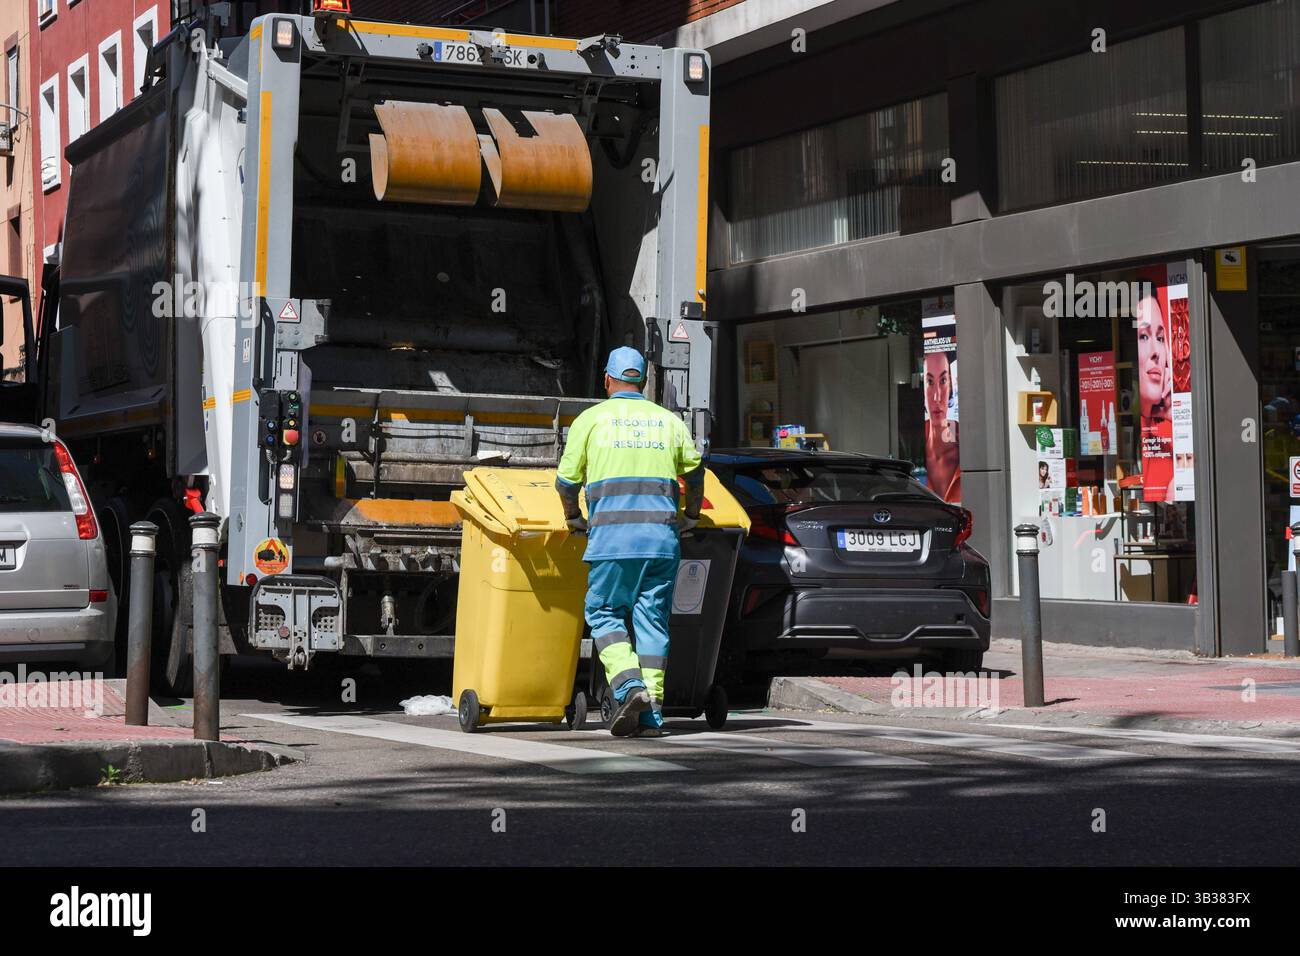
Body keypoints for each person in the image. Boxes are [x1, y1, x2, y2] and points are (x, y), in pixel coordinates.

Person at [555, 347, 704, 738]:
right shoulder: (668, 421)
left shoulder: (591, 420)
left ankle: (628, 686)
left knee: (604, 612)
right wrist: (690, 514)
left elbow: (566, 482)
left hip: (612, 543)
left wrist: (573, 516)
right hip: (661, 543)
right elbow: (695, 468)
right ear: (643, 382)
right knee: (652, 621)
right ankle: (652, 713)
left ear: (607, 379)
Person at [1135, 294, 1175, 502]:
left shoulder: (1171, 424)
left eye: (1160, 338)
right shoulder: (1143, 426)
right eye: (1143, 336)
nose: (1155, 353)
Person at [923, 349, 961, 502]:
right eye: (930, 382)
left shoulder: (962, 437)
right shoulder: (916, 445)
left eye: (943, 381)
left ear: (951, 385)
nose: (937, 396)